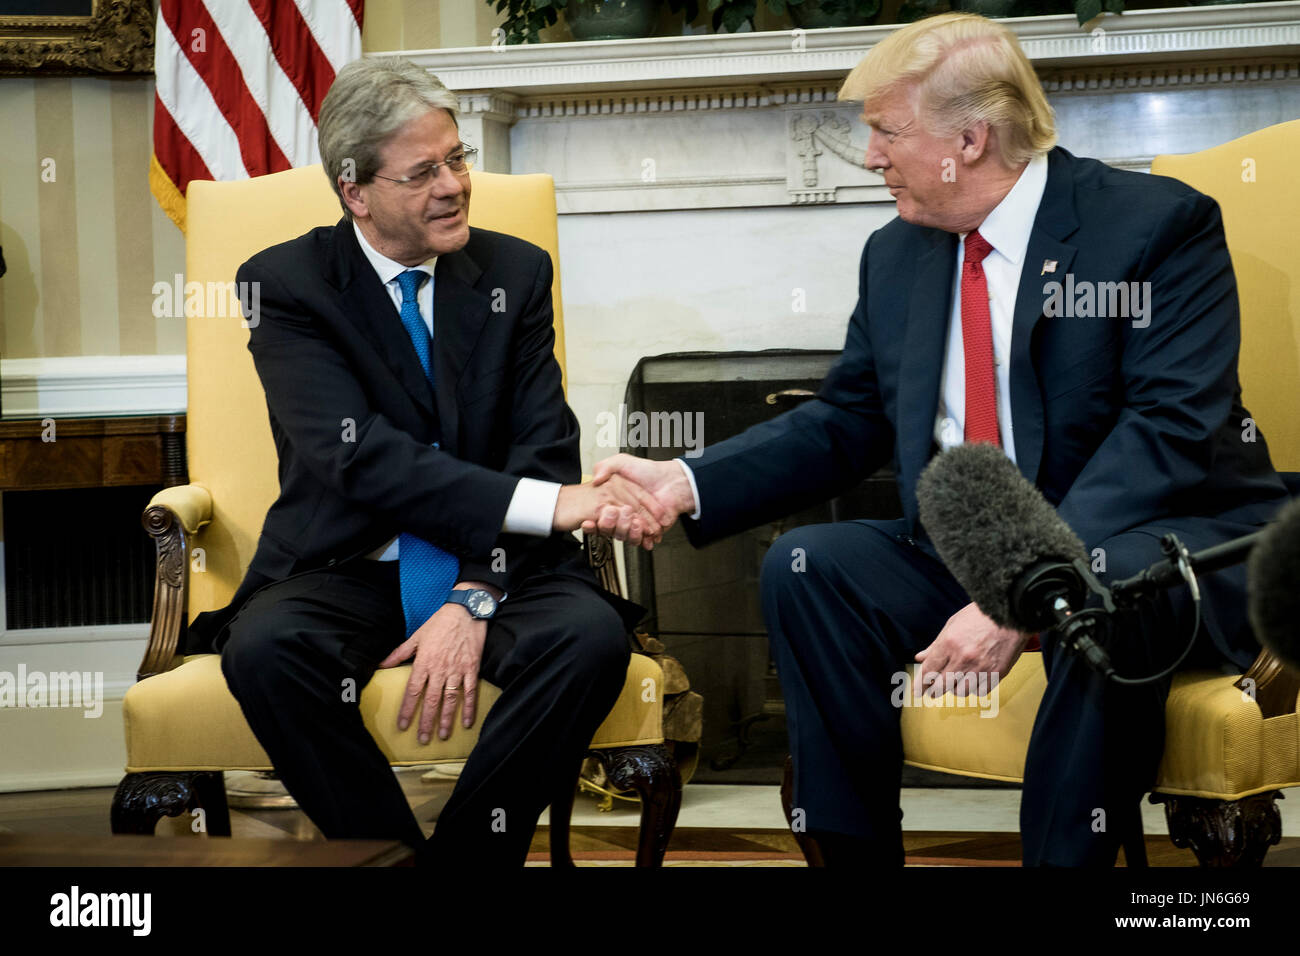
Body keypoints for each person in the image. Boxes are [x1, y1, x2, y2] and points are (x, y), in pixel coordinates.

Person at [590, 13, 1290, 866]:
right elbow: (847, 420)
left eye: (887, 131)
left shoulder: (1155, 227)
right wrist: (687, 481)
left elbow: (1167, 431)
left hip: (1162, 542)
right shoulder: (900, 252)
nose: (872, 155)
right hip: (975, 543)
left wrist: (1023, 590)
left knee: (1104, 590)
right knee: (811, 569)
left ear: (970, 137)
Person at [184, 56, 673, 867]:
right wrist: (555, 507)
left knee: (588, 640)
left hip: (502, 560)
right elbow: (361, 460)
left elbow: (543, 446)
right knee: (268, 652)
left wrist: (475, 593)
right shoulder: (286, 285)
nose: (453, 186)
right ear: (355, 191)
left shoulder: (513, 271)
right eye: (423, 173)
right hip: (351, 560)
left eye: (458, 159)